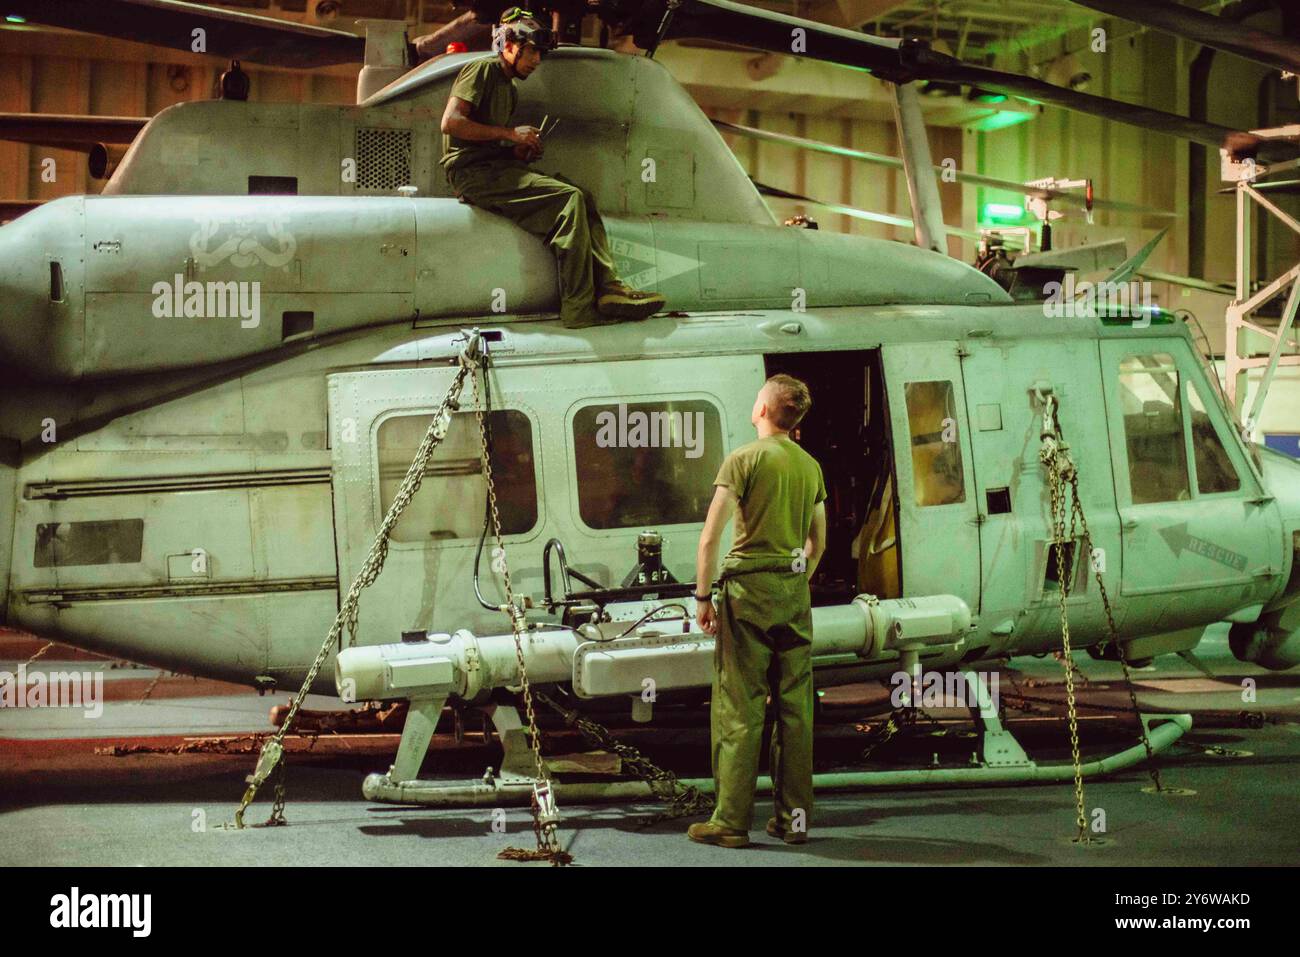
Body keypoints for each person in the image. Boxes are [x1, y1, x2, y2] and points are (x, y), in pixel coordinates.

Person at [438, 7, 666, 329]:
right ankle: (578, 308)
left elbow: (484, 140)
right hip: (472, 174)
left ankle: (610, 288)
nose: (536, 61)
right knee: (567, 199)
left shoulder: (509, 89)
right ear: (509, 45)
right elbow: (451, 122)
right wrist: (509, 134)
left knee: (583, 196)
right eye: (532, 52)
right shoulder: (483, 71)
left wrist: (517, 151)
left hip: (492, 169)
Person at [690, 374, 827, 848]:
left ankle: (730, 822)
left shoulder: (744, 459)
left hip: (746, 594)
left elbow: (710, 537)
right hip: (792, 593)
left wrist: (703, 597)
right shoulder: (810, 467)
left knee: (740, 707)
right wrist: (793, 582)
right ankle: (796, 821)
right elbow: (817, 543)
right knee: (796, 710)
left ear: (764, 409)